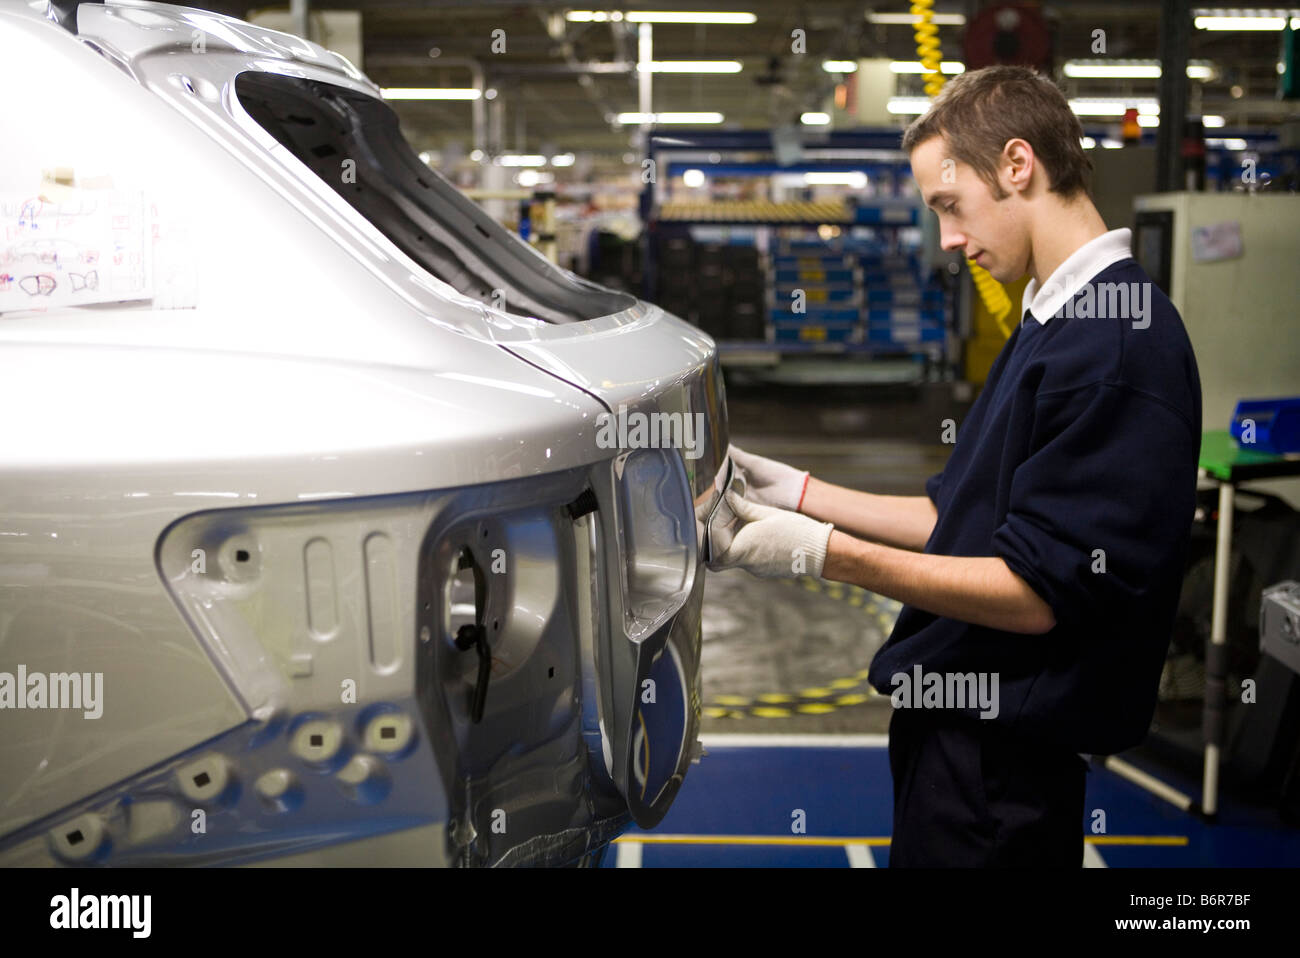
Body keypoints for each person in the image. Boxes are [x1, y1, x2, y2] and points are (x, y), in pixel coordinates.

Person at [708, 65, 1203, 867]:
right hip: (961, 747)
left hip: (1001, 773)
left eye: (949, 205)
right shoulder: (1055, 320)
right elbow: (959, 520)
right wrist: (794, 489)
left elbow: (1036, 593)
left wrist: (820, 553)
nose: (946, 239)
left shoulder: (1110, 345)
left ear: (1017, 165)